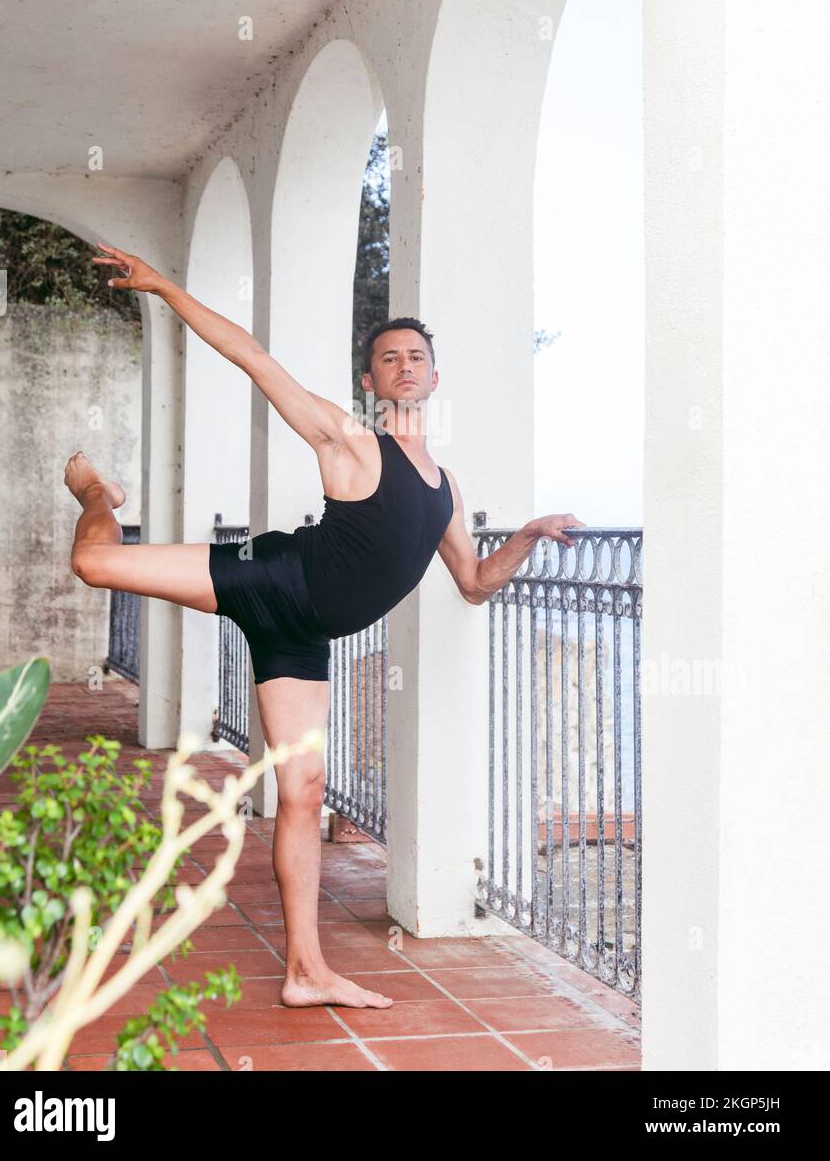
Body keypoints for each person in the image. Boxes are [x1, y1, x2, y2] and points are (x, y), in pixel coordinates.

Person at [64, 239, 585, 1010]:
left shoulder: (444, 490)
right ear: (370, 380)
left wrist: (531, 533)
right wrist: (165, 287)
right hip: (269, 577)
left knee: (303, 792)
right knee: (94, 563)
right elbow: (253, 359)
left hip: (302, 638)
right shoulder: (350, 440)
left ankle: (306, 971)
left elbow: (474, 583)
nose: (404, 366)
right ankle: (97, 496)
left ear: (435, 378)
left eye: (417, 357)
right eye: (389, 358)